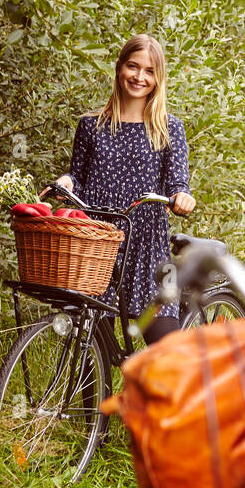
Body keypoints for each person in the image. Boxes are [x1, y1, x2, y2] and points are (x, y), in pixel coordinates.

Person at [48, 34, 196, 345]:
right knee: (89, 353)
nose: (139, 77)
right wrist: (66, 182)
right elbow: (78, 176)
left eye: (149, 71)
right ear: (119, 68)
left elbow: (178, 184)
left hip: (150, 252)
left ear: (158, 78)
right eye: (133, 66)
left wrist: (182, 198)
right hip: (97, 249)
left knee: (168, 351)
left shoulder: (169, 128)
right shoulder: (91, 126)